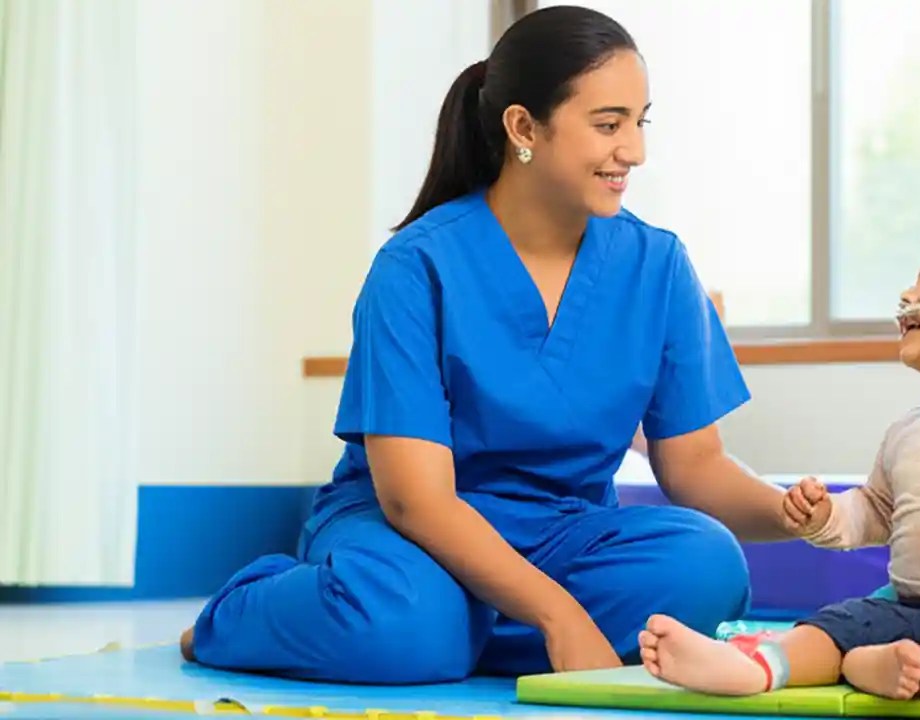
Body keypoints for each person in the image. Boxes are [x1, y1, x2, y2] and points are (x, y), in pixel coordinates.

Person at [179, 5, 795, 685]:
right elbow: (415, 500)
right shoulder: (416, 266)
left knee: (705, 567)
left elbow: (695, 467)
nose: (635, 151)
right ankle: (250, 612)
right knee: (410, 617)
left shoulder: (658, 264)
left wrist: (802, 517)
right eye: (608, 124)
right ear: (523, 127)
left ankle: (450, 633)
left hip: (563, 533)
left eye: (640, 122)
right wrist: (560, 617)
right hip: (408, 531)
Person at [638, 230, 920, 700]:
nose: (907, 294)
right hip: (914, 607)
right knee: (842, 620)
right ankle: (760, 664)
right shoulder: (908, 431)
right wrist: (824, 517)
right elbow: (877, 512)